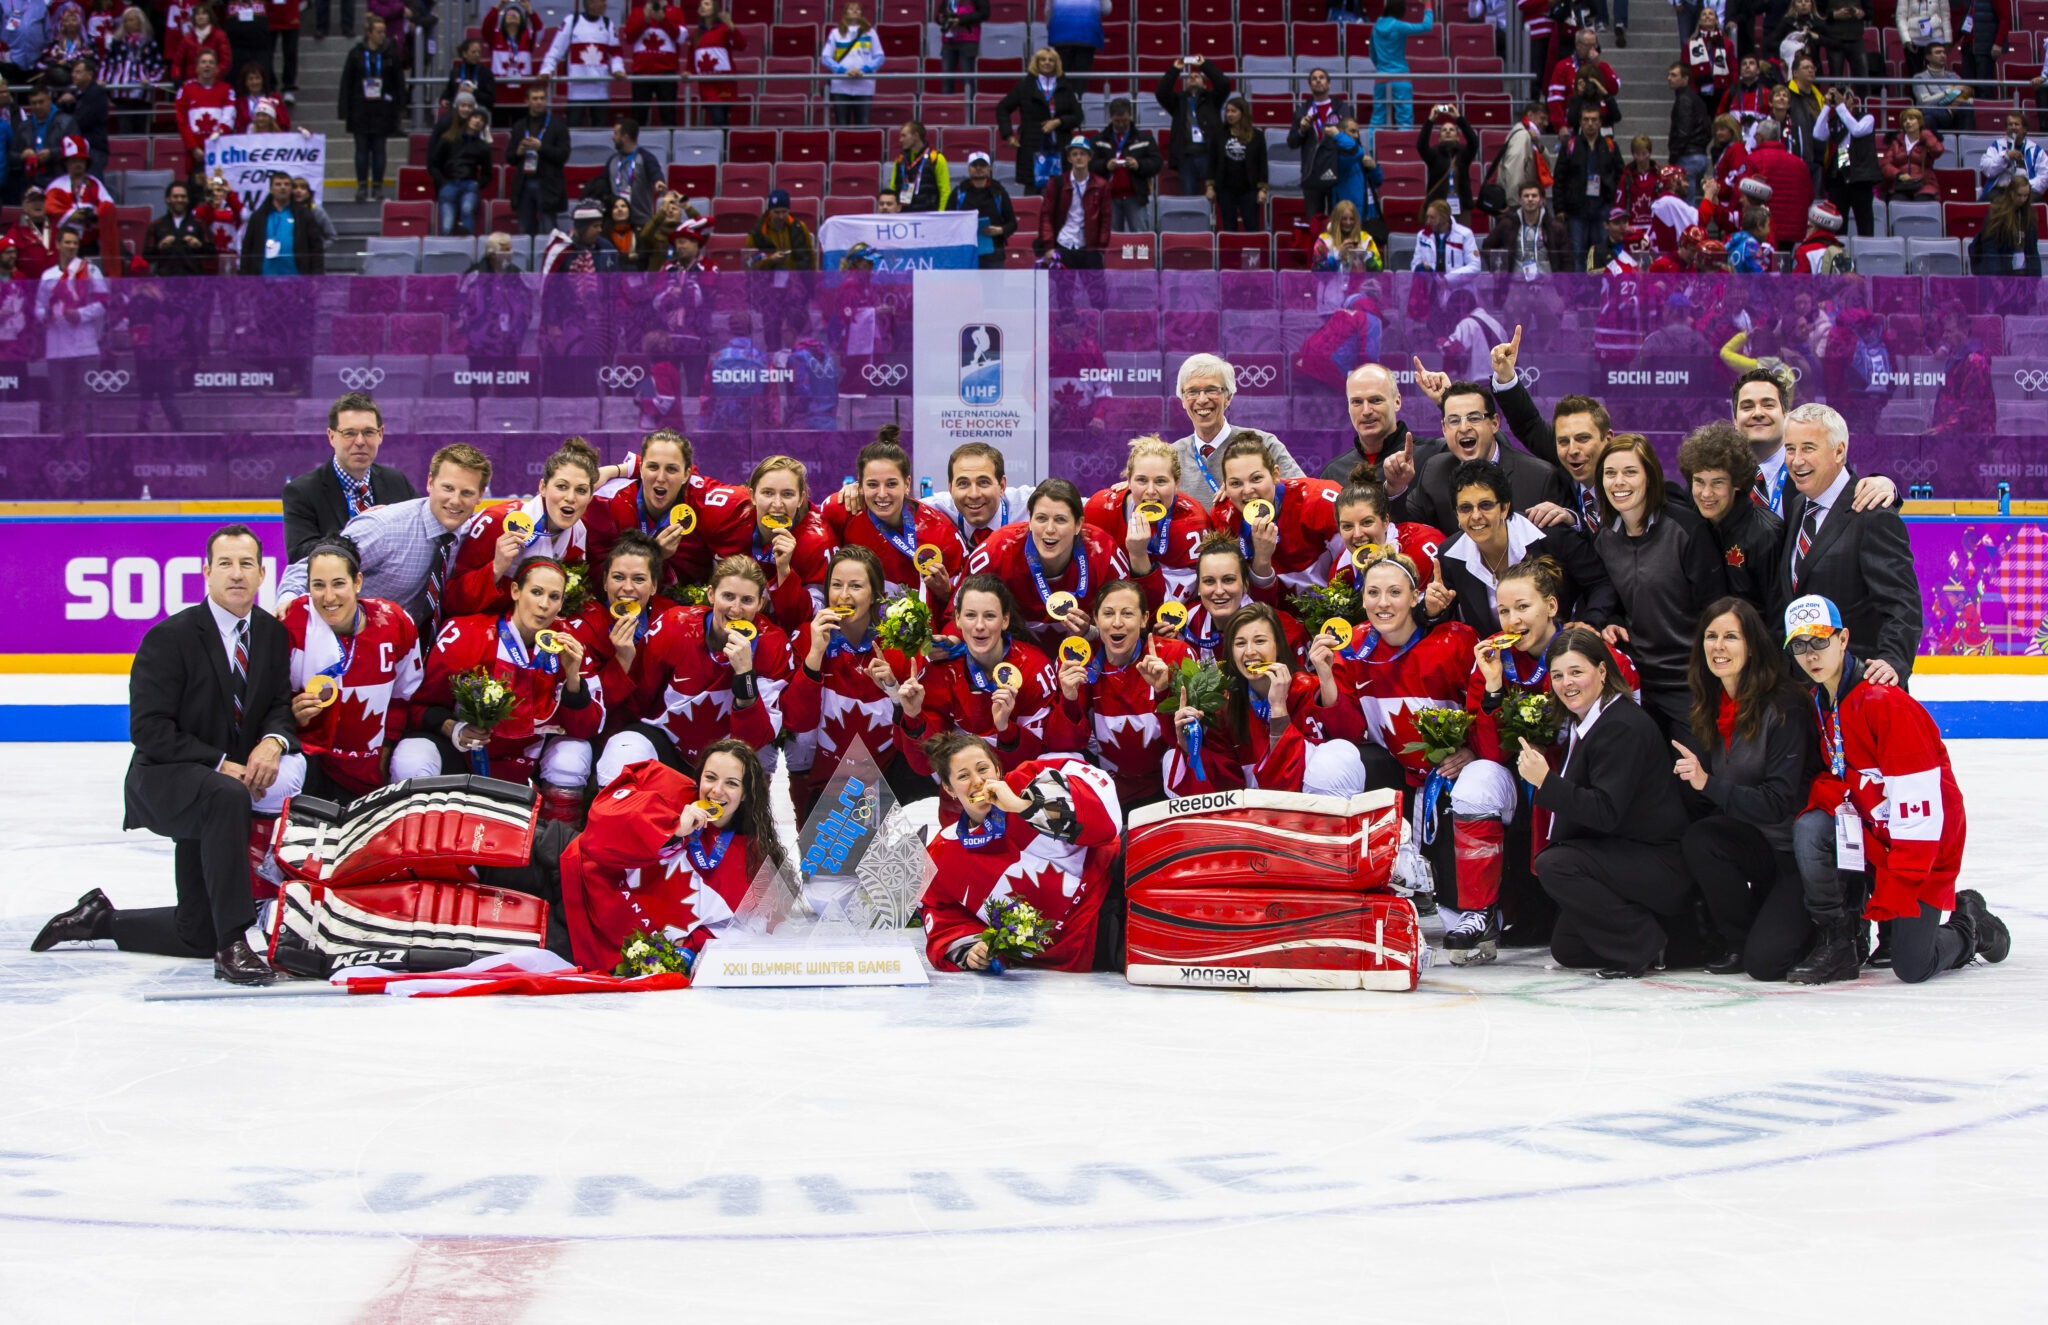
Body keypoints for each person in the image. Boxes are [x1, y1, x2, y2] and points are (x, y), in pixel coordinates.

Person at [32, 526, 305, 984]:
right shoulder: (170, 637)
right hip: (167, 780)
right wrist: (221, 763)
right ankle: (234, 942)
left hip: (217, 787)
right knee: (226, 796)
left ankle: (100, 918)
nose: (235, 574)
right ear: (206, 572)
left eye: (245, 565)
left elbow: (278, 706)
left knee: (196, 932)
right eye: (224, 564)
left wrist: (273, 742)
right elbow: (148, 729)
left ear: (262, 574)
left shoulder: (272, 636)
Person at [1782, 594, 2008, 984]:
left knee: (1912, 965)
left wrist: (1898, 885)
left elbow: (1920, 806)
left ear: (1843, 638)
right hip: (1878, 832)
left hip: (1924, 843)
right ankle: (1840, 939)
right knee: (1812, 827)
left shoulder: (1885, 702)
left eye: (1819, 640)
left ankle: (1970, 920)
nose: (1810, 653)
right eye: (1799, 645)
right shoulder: (1822, 699)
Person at [1519, 627, 1691, 977]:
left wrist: (1545, 782)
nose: (1567, 683)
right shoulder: (1595, 721)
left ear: (1602, 671)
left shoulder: (1621, 726)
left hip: (1657, 862)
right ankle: (1668, 937)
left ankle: (1644, 944)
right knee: (1569, 948)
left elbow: (1606, 812)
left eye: (1576, 672)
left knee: (1556, 864)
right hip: (1626, 856)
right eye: (1557, 675)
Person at [393, 557, 607, 822]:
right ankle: (418, 846)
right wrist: (454, 728)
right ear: (515, 591)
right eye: (536, 592)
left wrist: (573, 677)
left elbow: (587, 730)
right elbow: (417, 710)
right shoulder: (466, 635)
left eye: (554, 597)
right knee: (411, 755)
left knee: (573, 755)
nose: (544, 605)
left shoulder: (571, 644)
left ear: (562, 603)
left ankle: (554, 846)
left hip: (529, 763)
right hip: (466, 759)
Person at [1673, 597, 1818, 979]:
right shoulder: (1714, 702)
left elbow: (1777, 802)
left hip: (1798, 859)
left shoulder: (1785, 706)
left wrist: (1707, 783)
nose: (1718, 646)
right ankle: (1739, 939)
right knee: (1702, 838)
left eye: (1730, 637)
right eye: (1711, 636)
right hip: (1759, 847)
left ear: (1751, 645)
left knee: (1767, 964)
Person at [557, 737, 790, 972]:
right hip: (568, 867)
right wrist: (672, 829)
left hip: (594, 935)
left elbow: (748, 929)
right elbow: (602, 818)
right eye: (710, 778)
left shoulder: (750, 860)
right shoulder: (667, 788)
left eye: (731, 783)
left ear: (746, 793)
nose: (716, 790)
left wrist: (691, 946)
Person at [921, 731, 1123, 972]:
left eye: (983, 769)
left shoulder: (1030, 779)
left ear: (997, 769)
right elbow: (944, 916)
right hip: (1086, 938)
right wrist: (974, 948)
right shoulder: (942, 853)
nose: (977, 781)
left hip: (1112, 877)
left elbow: (1106, 817)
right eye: (963, 776)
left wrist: (1024, 805)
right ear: (949, 788)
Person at [592, 553, 793, 785]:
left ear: (760, 603)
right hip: (667, 746)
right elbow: (639, 701)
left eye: (747, 600)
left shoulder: (773, 644)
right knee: (621, 751)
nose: (736, 609)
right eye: (728, 596)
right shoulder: (674, 625)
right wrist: (608, 743)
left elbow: (755, 739)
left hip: (728, 761)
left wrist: (745, 675)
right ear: (711, 595)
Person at [1770, 403, 1920, 687]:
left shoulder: (1872, 513)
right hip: (1806, 691)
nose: (1797, 460)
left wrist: (1893, 662)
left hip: (1861, 687)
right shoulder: (1798, 503)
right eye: (1790, 449)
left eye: (1808, 448)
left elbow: (1902, 604)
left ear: (1839, 451)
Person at [1590, 434, 1728, 736]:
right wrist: (1611, 621)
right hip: (1637, 685)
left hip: (1691, 686)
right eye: (1610, 473)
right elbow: (1615, 598)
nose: (1618, 482)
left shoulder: (1687, 530)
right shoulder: (1605, 538)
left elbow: (1716, 609)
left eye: (1630, 472)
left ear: (1650, 477)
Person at [278, 443, 493, 636]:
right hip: (352, 646)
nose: (455, 500)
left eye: (466, 492)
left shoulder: (475, 534)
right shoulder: (384, 527)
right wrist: (287, 598)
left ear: (480, 495)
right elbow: (311, 565)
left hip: (417, 653)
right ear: (430, 483)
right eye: (448, 488)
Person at [1165, 601, 1366, 798]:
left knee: (1336, 755)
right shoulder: (1226, 705)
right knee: (1169, 759)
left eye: (1260, 641)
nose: (1250, 651)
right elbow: (1221, 787)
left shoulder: (1306, 689)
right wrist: (1188, 745)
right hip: (1255, 820)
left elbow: (1350, 738)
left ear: (1278, 645)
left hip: (1309, 811)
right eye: (1240, 643)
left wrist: (1280, 708)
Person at [275, 535, 423, 801]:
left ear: (358, 582)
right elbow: (265, 702)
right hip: (310, 762)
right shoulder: (289, 625)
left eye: (339, 584)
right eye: (318, 585)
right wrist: (290, 714)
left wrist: (388, 745)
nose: (329, 597)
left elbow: (404, 696)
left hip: (369, 769)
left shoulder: (395, 623)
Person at [779, 546, 928, 809]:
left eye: (856, 586)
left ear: (875, 595)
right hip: (823, 788)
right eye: (836, 585)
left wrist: (894, 692)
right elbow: (795, 720)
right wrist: (815, 654)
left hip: (889, 786)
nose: (843, 595)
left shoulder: (900, 647)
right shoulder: (808, 636)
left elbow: (919, 739)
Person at [894, 574, 1079, 780]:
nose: (979, 625)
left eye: (990, 616)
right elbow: (924, 766)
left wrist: (1005, 729)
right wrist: (913, 717)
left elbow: (1040, 758)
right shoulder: (941, 671)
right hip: (965, 787)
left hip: (1023, 786)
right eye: (971, 615)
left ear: (1005, 620)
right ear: (957, 619)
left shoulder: (1034, 669)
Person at [1427, 458, 1615, 636]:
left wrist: (1591, 622)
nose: (1476, 516)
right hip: (1496, 660)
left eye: (1485, 505)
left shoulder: (1551, 537)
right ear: (1456, 514)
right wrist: (1432, 610)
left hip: (1558, 653)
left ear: (1504, 508)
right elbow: (1437, 615)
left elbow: (1601, 583)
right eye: (1466, 508)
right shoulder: (1450, 554)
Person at [1053, 579, 1185, 811]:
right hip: (1108, 794)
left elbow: (1189, 743)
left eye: (1127, 614)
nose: (1117, 623)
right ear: (1095, 619)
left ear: (1144, 619)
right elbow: (1065, 746)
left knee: (1175, 758)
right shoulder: (1079, 663)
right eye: (1108, 613)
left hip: (1168, 793)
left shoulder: (1173, 654)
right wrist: (1070, 700)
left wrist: (1164, 691)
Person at [968, 477, 1132, 646]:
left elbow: (1132, 627)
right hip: (1013, 662)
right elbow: (960, 614)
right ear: (1030, 520)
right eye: (1041, 518)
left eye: (1060, 519)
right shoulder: (996, 551)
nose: (1050, 529)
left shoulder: (1104, 553)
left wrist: (1090, 632)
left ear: (1078, 524)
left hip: (1085, 661)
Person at [1397, 382, 1570, 533]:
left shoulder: (1540, 477)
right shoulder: (1434, 471)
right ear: (1444, 429)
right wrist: (1394, 488)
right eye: (1454, 420)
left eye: (1474, 418)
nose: (1464, 428)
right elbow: (1405, 527)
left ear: (1494, 423)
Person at [819, 424, 967, 599]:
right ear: (860, 484)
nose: (882, 494)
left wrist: (946, 593)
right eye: (872, 484)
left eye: (891, 484)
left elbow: (961, 602)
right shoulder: (843, 510)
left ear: (907, 484)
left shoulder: (941, 533)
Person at [591, 429, 754, 586]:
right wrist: (655, 557)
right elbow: (600, 579)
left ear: (686, 474)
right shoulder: (611, 502)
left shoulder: (703, 501)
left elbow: (754, 500)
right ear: (640, 468)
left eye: (671, 469)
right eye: (653, 467)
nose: (661, 478)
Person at [280, 394, 417, 561]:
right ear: (331, 436)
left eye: (368, 432)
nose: (360, 441)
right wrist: (360, 533)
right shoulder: (302, 491)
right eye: (349, 433)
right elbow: (299, 554)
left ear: (380, 434)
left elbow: (419, 536)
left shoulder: (396, 481)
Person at [1210, 432, 1346, 595]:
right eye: (1236, 483)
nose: (1247, 490)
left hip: (1336, 613)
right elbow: (1250, 602)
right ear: (1225, 485)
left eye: (1256, 479)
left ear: (1275, 474)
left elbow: (1354, 572)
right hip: (1271, 616)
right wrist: (1261, 559)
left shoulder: (1320, 502)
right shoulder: (1224, 516)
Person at [1168, 352, 1303, 506]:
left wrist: (1250, 490)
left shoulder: (1263, 444)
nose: (1202, 399)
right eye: (1192, 392)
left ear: (1229, 397)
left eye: (1212, 390)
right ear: (1183, 400)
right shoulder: (1171, 457)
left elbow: (1304, 492)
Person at [1676, 420, 1782, 611]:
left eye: (1717, 483)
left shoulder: (1766, 534)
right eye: (1699, 482)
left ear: (1738, 482)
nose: (1706, 493)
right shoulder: (1688, 520)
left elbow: (1777, 614)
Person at [1320, 363, 1447, 488]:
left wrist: (1447, 400)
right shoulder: (1332, 474)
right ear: (1348, 407)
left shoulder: (1434, 455)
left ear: (1397, 402)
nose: (1366, 411)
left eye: (1375, 400)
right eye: (1357, 402)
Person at [996, 47, 1083, 193]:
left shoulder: (1064, 86)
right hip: (1032, 146)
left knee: (1059, 193)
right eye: (1043, 59)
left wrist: (1058, 122)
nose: (1047, 63)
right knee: (1032, 193)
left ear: (1057, 64)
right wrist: (1008, 135)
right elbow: (1002, 108)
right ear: (1036, 63)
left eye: (1051, 60)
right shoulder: (1025, 86)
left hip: (1059, 146)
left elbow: (1078, 116)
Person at [338, 14, 404, 200]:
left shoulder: (390, 54)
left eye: (384, 32)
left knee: (379, 149)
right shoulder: (356, 53)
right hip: (360, 107)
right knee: (361, 150)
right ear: (369, 33)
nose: (383, 35)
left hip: (382, 107)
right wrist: (344, 109)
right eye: (379, 32)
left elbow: (398, 81)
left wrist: (399, 105)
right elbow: (346, 82)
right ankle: (361, 185)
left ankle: (377, 186)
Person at [1155, 54, 1232, 197]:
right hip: (1187, 157)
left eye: (1197, 76)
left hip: (1210, 154)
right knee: (1190, 197)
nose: (1192, 77)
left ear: (1204, 84)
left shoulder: (1212, 99)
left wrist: (1205, 65)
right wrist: (1175, 69)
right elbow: (1161, 93)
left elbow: (1224, 85)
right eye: (1189, 77)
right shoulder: (1178, 101)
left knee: (1216, 195)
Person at [1553, 105, 1620, 267]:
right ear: (1581, 122)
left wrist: (1613, 202)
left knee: (1602, 252)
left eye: (1594, 120)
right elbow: (1559, 177)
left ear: (1600, 123)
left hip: (1602, 207)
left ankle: (1603, 289)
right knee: (1577, 252)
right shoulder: (1570, 145)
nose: (1590, 123)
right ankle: (1578, 291)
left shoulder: (1609, 146)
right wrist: (1559, 207)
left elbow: (1619, 174)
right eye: (1586, 120)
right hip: (1576, 208)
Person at [539, 0, 624, 126]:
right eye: (601, 1)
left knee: (600, 131)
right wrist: (546, 69)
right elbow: (556, 49)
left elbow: (616, 53)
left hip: (600, 91)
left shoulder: (608, 24)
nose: (605, 4)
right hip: (576, 91)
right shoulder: (571, 22)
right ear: (590, 3)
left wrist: (618, 69)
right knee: (574, 130)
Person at [1287, 67, 1355, 216]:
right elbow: (1292, 142)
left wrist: (1338, 134)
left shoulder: (1342, 108)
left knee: (1337, 222)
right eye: (1314, 78)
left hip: (1336, 171)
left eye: (1322, 77)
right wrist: (1302, 130)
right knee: (1314, 224)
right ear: (1310, 86)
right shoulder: (1302, 110)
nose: (1318, 80)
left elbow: (1353, 139)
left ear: (1329, 84)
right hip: (1312, 173)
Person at [1091, 96, 1164, 233]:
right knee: (1112, 239)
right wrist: (1105, 165)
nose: (1120, 124)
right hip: (1109, 197)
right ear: (1110, 117)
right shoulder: (1098, 139)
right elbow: (1090, 165)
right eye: (1117, 121)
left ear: (1130, 116)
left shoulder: (1145, 138)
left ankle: (1141, 256)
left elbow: (1157, 163)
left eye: (1124, 120)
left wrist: (1139, 165)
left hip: (1136, 196)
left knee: (1140, 237)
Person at [1037, 133, 1108, 267]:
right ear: (1069, 158)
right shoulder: (1056, 183)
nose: (1079, 157)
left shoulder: (1101, 185)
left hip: (1089, 247)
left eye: (1082, 153)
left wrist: (1100, 248)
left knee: (1095, 288)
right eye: (1074, 154)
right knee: (1063, 288)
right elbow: (1046, 216)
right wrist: (1049, 246)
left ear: (1089, 157)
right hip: (1063, 244)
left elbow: (1105, 219)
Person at [1814, 87, 1878, 237]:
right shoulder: (1836, 121)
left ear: (1852, 98)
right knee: (1838, 222)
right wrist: (1826, 107)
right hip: (1840, 175)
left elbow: (1856, 130)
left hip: (1861, 176)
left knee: (1864, 222)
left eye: (1844, 96)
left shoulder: (1867, 118)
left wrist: (1841, 107)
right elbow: (1817, 133)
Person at [506, 83, 569, 237]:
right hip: (524, 183)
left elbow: (563, 155)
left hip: (548, 184)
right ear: (527, 101)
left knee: (549, 230)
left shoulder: (557, 126)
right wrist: (519, 152)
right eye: (535, 99)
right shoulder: (519, 126)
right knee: (524, 230)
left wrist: (542, 147)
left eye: (542, 98)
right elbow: (510, 158)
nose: (539, 102)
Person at [35, 223, 106, 358]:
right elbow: (39, 306)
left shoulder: (91, 270)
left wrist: (81, 314)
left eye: (75, 243)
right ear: (58, 245)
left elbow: (103, 303)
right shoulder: (48, 275)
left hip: (85, 343)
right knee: (58, 379)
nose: (72, 246)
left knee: (85, 379)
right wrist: (46, 315)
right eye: (67, 242)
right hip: (57, 344)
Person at [236, 170, 321, 275]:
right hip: (264, 278)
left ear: (291, 189)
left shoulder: (304, 215)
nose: (282, 187)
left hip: (296, 277)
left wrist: (317, 275)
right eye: (278, 184)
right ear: (271, 189)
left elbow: (316, 246)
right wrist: (245, 275)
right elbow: (247, 247)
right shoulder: (258, 217)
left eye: (287, 184)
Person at [428, 104, 493, 236]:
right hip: (449, 184)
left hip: (469, 185)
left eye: (482, 120)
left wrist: (477, 184)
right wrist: (442, 182)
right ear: (468, 119)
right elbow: (433, 165)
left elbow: (488, 174)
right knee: (447, 226)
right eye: (475, 117)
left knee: (467, 210)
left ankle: (468, 248)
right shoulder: (448, 139)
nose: (478, 121)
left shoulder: (482, 147)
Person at [1205, 95, 1267, 233]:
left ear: (1242, 113)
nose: (1229, 114)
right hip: (1225, 189)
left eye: (1233, 111)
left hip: (1249, 188)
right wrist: (1210, 186)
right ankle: (1229, 255)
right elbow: (1212, 162)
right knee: (1228, 227)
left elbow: (1262, 163)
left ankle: (1253, 254)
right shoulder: (1219, 135)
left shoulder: (1257, 136)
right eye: (1227, 111)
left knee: (1252, 226)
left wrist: (1263, 189)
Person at [1369, 0, 1433, 128]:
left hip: (1381, 77)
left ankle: (1371, 148)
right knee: (1405, 119)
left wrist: (1382, 68)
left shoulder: (1375, 27)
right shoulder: (1399, 26)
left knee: (1377, 119)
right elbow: (1427, 26)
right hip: (1400, 77)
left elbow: (1372, 54)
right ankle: (1406, 147)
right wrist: (1427, 4)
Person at [948, 150, 1016, 269]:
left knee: (993, 288)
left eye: (983, 165)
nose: (979, 168)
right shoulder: (958, 193)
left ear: (989, 168)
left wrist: (1000, 230)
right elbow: (947, 221)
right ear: (969, 168)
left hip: (994, 252)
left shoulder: (999, 192)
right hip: (965, 252)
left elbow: (1013, 223)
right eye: (974, 165)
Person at [1483, 181, 1570, 275]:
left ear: (1542, 200)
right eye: (1526, 196)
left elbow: (1567, 259)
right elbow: (1487, 246)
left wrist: (1563, 283)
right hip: (1516, 284)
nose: (1530, 199)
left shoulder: (1556, 227)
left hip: (1547, 283)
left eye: (1534, 196)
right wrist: (1498, 268)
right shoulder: (1507, 224)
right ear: (1520, 200)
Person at [819, 1, 883, 126]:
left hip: (864, 86)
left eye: (858, 9)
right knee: (842, 124)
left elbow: (879, 57)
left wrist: (864, 70)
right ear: (845, 13)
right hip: (841, 86)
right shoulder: (835, 33)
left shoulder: (870, 33)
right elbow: (826, 57)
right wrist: (843, 70)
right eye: (851, 9)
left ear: (862, 14)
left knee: (863, 124)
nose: (854, 11)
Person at [685, 0, 744, 127]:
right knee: (717, 117)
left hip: (725, 83)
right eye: (700, 4)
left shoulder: (724, 29)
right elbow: (691, 60)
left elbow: (741, 45)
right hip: (707, 85)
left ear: (715, 8)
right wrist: (688, 72)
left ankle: (723, 145)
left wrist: (731, 26)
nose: (702, 6)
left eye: (707, 4)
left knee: (723, 118)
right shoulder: (696, 34)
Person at [621, 0, 679, 128]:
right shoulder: (637, 12)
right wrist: (644, 19)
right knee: (639, 116)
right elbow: (629, 37)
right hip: (642, 71)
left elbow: (680, 37)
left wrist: (663, 20)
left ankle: (670, 145)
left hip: (666, 72)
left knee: (668, 115)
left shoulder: (675, 12)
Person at [1970, 173, 2042, 275]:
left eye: (2026, 196)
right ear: (2011, 193)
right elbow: (1990, 248)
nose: (2022, 199)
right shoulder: (1996, 213)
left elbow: (2033, 250)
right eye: (2019, 195)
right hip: (2002, 270)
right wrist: (1996, 278)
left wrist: (2036, 278)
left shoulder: (2030, 214)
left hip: (2024, 272)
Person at [145, 179, 216, 276]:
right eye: (175, 197)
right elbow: (146, 257)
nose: (180, 200)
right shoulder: (157, 225)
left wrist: (199, 246)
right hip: (165, 281)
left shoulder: (199, 223)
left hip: (193, 281)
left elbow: (212, 254)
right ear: (168, 199)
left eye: (183, 197)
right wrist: (159, 247)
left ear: (188, 199)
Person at [1416, 108, 1477, 218]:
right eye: (1444, 130)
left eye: (1452, 130)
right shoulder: (1433, 155)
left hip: (1461, 208)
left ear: (1458, 137)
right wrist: (1430, 120)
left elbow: (1474, 142)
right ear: (1439, 139)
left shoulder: (1464, 154)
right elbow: (1421, 145)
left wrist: (1458, 118)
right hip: (1437, 210)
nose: (1448, 131)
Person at [1979, 111, 2048, 199]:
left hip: (2026, 191)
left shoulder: (2036, 150)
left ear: (2024, 129)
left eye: (2016, 124)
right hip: (2001, 190)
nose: (2013, 127)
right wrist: (2005, 157)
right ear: (2006, 128)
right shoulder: (1996, 146)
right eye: (2010, 124)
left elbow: (2044, 177)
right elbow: (1987, 170)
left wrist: (2024, 186)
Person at [1881, 106, 1944, 200]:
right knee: (1897, 200)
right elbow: (1885, 165)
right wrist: (1899, 174)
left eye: (1911, 118)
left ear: (1920, 122)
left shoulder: (1927, 138)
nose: (1907, 122)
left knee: (1923, 200)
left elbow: (1938, 151)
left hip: (1925, 184)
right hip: (1902, 185)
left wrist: (1927, 135)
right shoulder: (1896, 142)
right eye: (1904, 120)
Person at [887, 119, 949, 213]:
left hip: (928, 216)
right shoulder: (900, 160)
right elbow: (893, 189)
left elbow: (945, 191)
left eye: (904, 136)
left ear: (916, 136)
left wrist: (941, 215)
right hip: (904, 215)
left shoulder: (936, 159)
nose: (900, 140)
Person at [1909, 42, 1972, 134]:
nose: (1942, 55)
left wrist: (1957, 101)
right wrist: (1949, 92)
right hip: (1934, 113)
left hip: (1953, 115)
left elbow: (1967, 92)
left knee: (1966, 107)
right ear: (1928, 57)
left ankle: (1967, 143)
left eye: (1944, 53)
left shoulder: (1953, 76)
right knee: (1927, 116)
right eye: (1938, 53)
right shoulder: (1919, 78)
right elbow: (1925, 102)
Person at [747, 188, 815, 271]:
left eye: (784, 212)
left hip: (795, 280)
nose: (781, 216)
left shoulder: (800, 228)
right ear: (769, 211)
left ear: (789, 210)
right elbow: (750, 264)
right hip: (767, 281)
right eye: (777, 212)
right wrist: (770, 260)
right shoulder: (757, 232)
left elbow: (810, 256)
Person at [1410, 199, 1482, 277]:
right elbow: (1414, 264)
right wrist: (1422, 269)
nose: (1428, 221)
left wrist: (1449, 279)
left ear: (1444, 218)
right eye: (1427, 217)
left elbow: (1475, 266)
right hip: (1431, 286)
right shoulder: (1422, 235)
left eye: (1432, 218)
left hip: (1459, 287)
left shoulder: (1464, 234)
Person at [1312, 199, 1382, 274]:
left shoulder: (1366, 239)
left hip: (1359, 285)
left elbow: (1379, 269)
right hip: (1332, 285)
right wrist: (1338, 256)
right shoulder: (1324, 240)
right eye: (1344, 219)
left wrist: (1366, 256)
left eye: (1352, 219)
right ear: (1337, 220)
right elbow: (1316, 270)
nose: (1348, 223)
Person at [933, 0, 986, 93]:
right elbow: (941, 13)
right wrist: (940, 18)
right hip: (949, 40)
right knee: (946, 80)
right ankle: (946, 106)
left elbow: (983, 14)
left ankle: (970, 106)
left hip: (968, 39)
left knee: (967, 80)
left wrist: (960, 20)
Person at [1042, 0, 1103, 77]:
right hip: (1087, 32)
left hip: (1061, 32)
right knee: (1081, 78)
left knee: (1062, 76)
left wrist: (1051, 27)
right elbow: (1106, 9)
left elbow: (1048, 11)